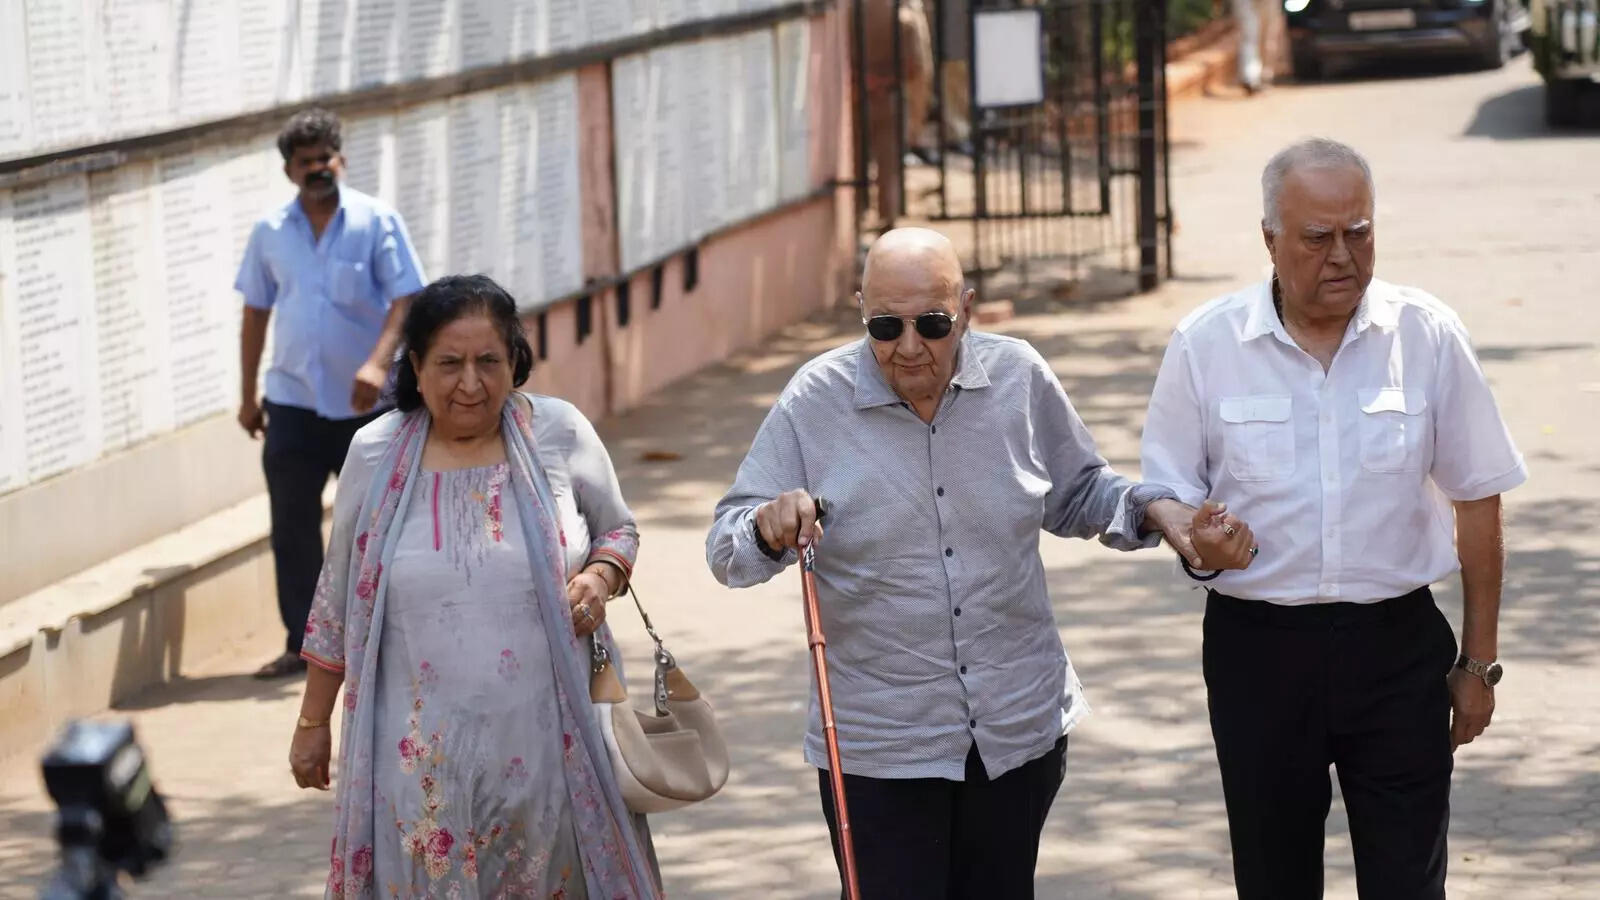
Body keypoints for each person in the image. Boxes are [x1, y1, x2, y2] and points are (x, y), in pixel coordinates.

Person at [706, 227, 1255, 899]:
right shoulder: (813, 401)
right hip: (881, 747)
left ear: (966, 308)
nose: (910, 346)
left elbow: (1081, 492)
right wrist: (766, 528)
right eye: (886, 326)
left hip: (1014, 731)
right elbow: (726, 548)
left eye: (933, 324)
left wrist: (1159, 511)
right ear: (861, 311)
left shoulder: (1018, 377)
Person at [1140, 138, 1526, 899]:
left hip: (1398, 651)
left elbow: (1479, 500)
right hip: (1258, 656)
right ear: (1270, 239)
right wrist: (1199, 543)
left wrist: (1478, 663)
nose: (1343, 256)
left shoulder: (1426, 335)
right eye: (1318, 238)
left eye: (1360, 232)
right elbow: (1166, 492)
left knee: (1409, 881)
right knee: (1273, 877)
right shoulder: (1206, 344)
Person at [287, 276, 661, 898]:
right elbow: (337, 597)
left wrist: (601, 576)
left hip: (552, 762)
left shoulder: (559, 432)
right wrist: (311, 722)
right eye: (449, 363)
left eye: (489, 361)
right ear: (415, 367)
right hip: (419, 775)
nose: (471, 383)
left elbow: (618, 530)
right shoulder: (374, 454)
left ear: (515, 361)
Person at [236, 108, 428, 679]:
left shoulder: (376, 220)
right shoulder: (270, 232)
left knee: (379, 525)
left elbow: (407, 298)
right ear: (289, 170)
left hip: (365, 408)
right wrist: (247, 395)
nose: (318, 168)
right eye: (306, 161)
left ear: (341, 160)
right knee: (292, 528)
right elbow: (255, 311)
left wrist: (377, 363)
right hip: (291, 402)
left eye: (326, 157)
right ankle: (303, 645)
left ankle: (385, 639)